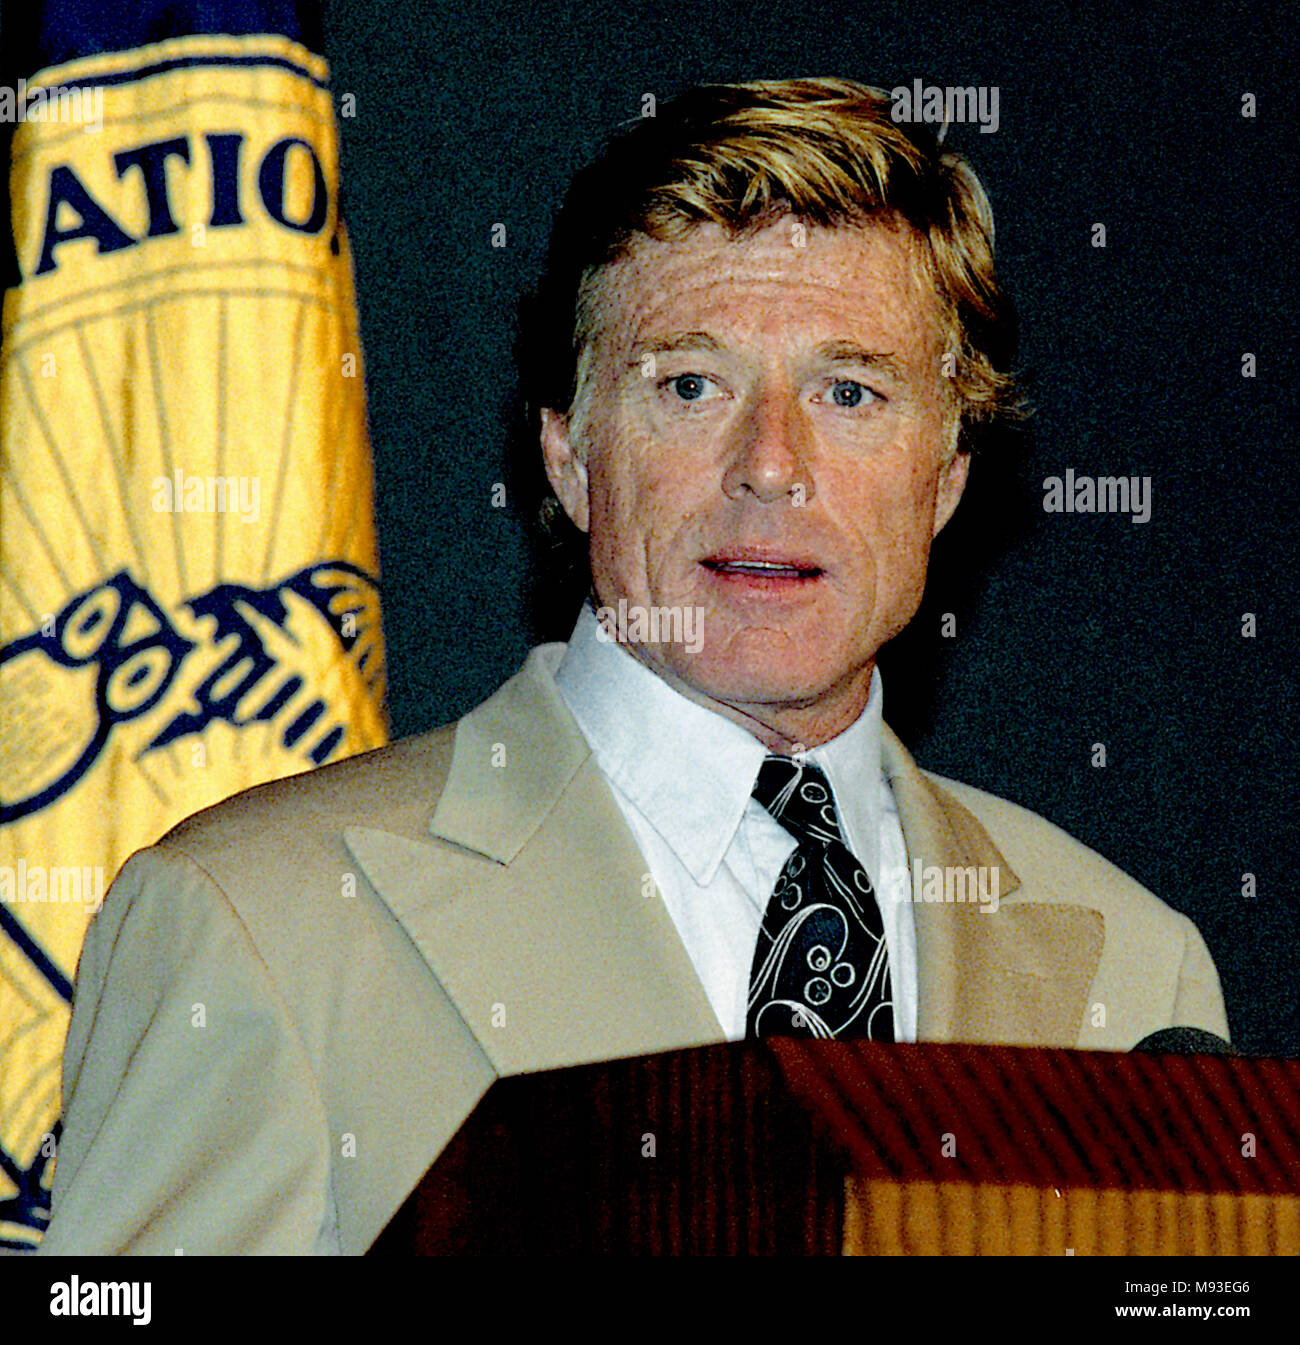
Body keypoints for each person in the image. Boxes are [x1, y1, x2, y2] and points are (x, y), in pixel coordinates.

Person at [38, 77, 1228, 1255]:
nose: (771, 464)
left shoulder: (1135, 972)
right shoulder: (258, 923)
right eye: (691, 384)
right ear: (566, 452)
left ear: (949, 477)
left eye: (851, 390)